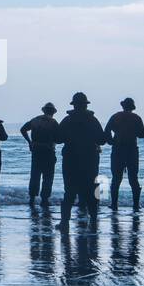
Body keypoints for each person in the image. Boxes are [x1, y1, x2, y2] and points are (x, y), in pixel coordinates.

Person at [57, 92, 105, 233]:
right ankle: (94, 221)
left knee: (69, 191)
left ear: (74, 105)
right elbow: (102, 140)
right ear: (85, 105)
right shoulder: (93, 120)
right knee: (92, 191)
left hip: (70, 161)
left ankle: (64, 222)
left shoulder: (67, 120)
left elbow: (58, 139)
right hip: (90, 161)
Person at [104, 97, 144, 211]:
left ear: (123, 106)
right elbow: (142, 134)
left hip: (117, 150)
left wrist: (111, 141)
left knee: (116, 179)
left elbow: (106, 130)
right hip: (131, 151)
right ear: (132, 107)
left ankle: (114, 204)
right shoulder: (136, 118)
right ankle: (136, 205)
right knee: (133, 178)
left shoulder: (115, 116)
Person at [20, 102, 60, 206]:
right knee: (48, 177)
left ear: (44, 110)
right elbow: (59, 138)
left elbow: (23, 129)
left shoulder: (35, 120)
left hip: (36, 152)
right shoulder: (53, 122)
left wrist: (30, 142)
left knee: (35, 175)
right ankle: (44, 199)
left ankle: (32, 199)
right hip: (48, 152)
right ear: (52, 112)